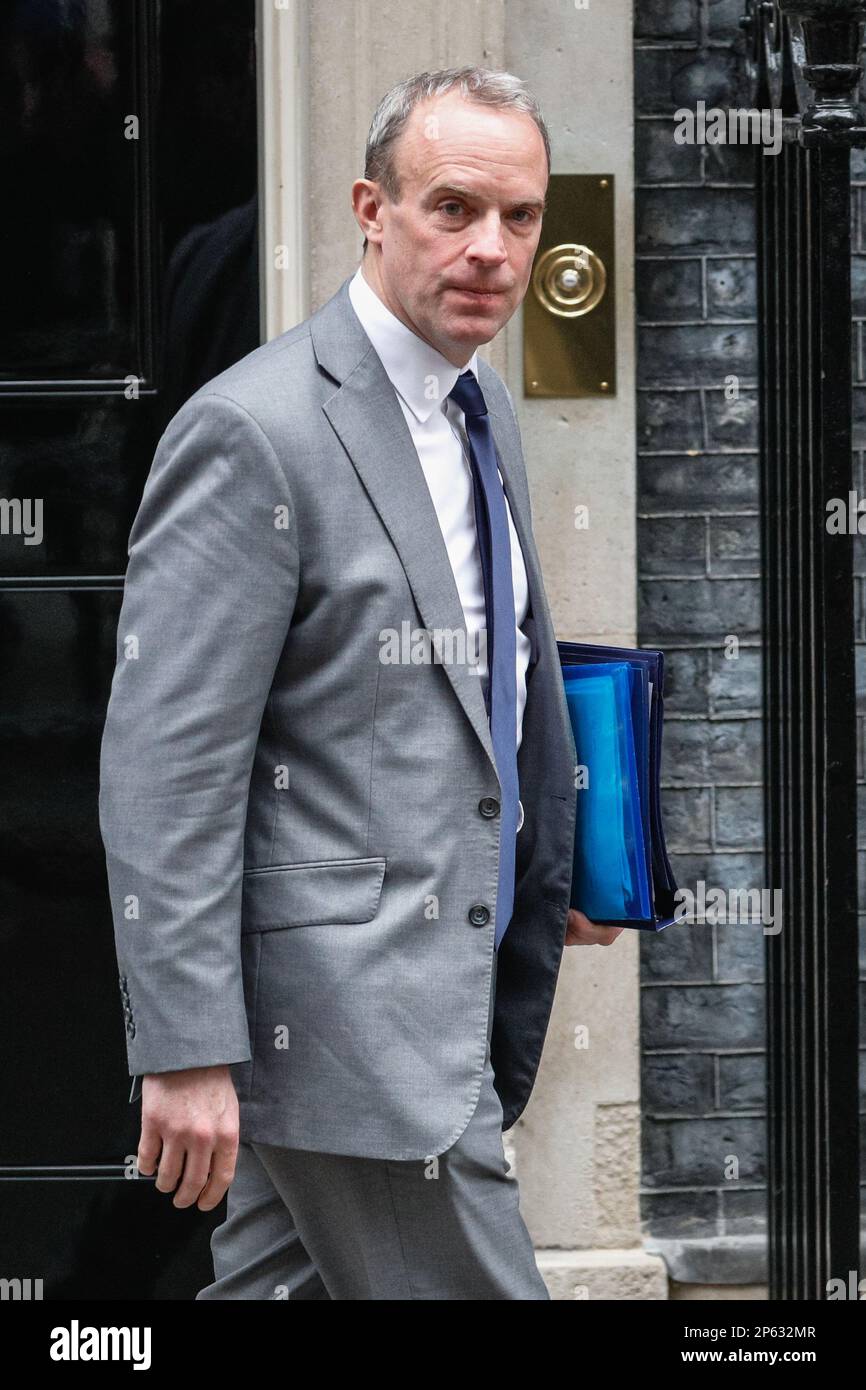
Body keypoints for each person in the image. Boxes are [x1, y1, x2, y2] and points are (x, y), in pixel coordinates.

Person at [98, 64, 622, 1302]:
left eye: (520, 217)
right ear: (368, 209)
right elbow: (167, 760)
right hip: (358, 1026)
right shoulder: (254, 431)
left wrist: (542, 869)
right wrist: (183, 1047)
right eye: (451, 208)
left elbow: (464, 698)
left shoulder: (478, 403)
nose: (492, 248)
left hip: (427, 996)